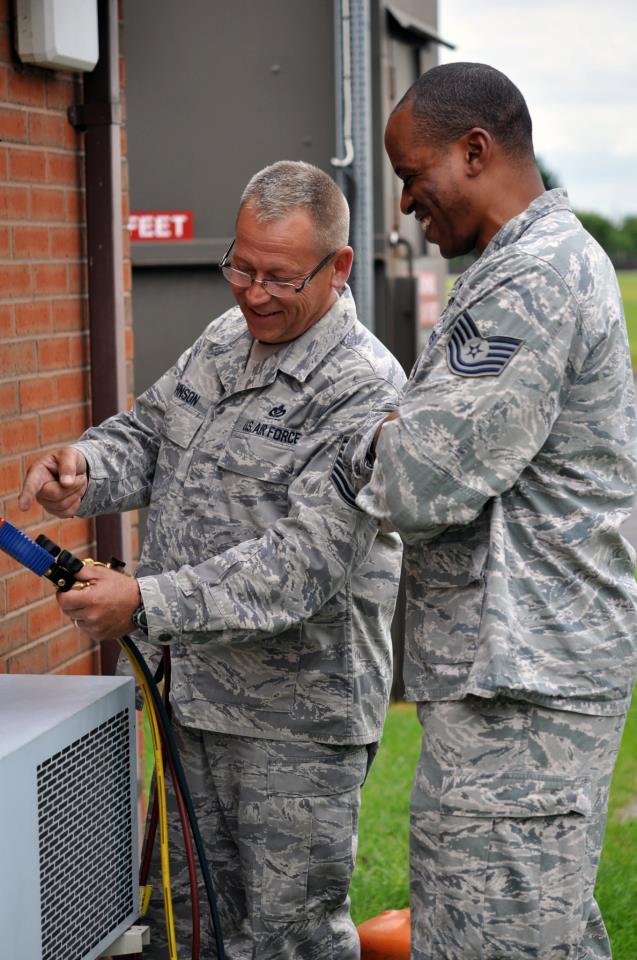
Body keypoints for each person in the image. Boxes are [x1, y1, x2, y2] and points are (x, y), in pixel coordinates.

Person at [20, 160, 406, 959]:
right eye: (240, 265)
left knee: (284, 939)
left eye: (279, 277)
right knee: (185, 929)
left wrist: (143, 603)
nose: (253, 293)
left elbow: (302, 563)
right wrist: (84, 467)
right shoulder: (225, 339)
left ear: (336, 268)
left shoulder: (363, 388)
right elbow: (149, 435)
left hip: (294, 724)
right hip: (188, 702)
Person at [344, 63, 637, 959]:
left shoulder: (530, 279)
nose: (403, 203)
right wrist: (398, 428)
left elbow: (414, 479)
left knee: (489, 941)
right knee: (536, 931)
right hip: (521, 680)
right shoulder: (524, 266)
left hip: (522, 692)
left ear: (474, 151)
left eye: (411, 173)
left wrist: (377, 440)